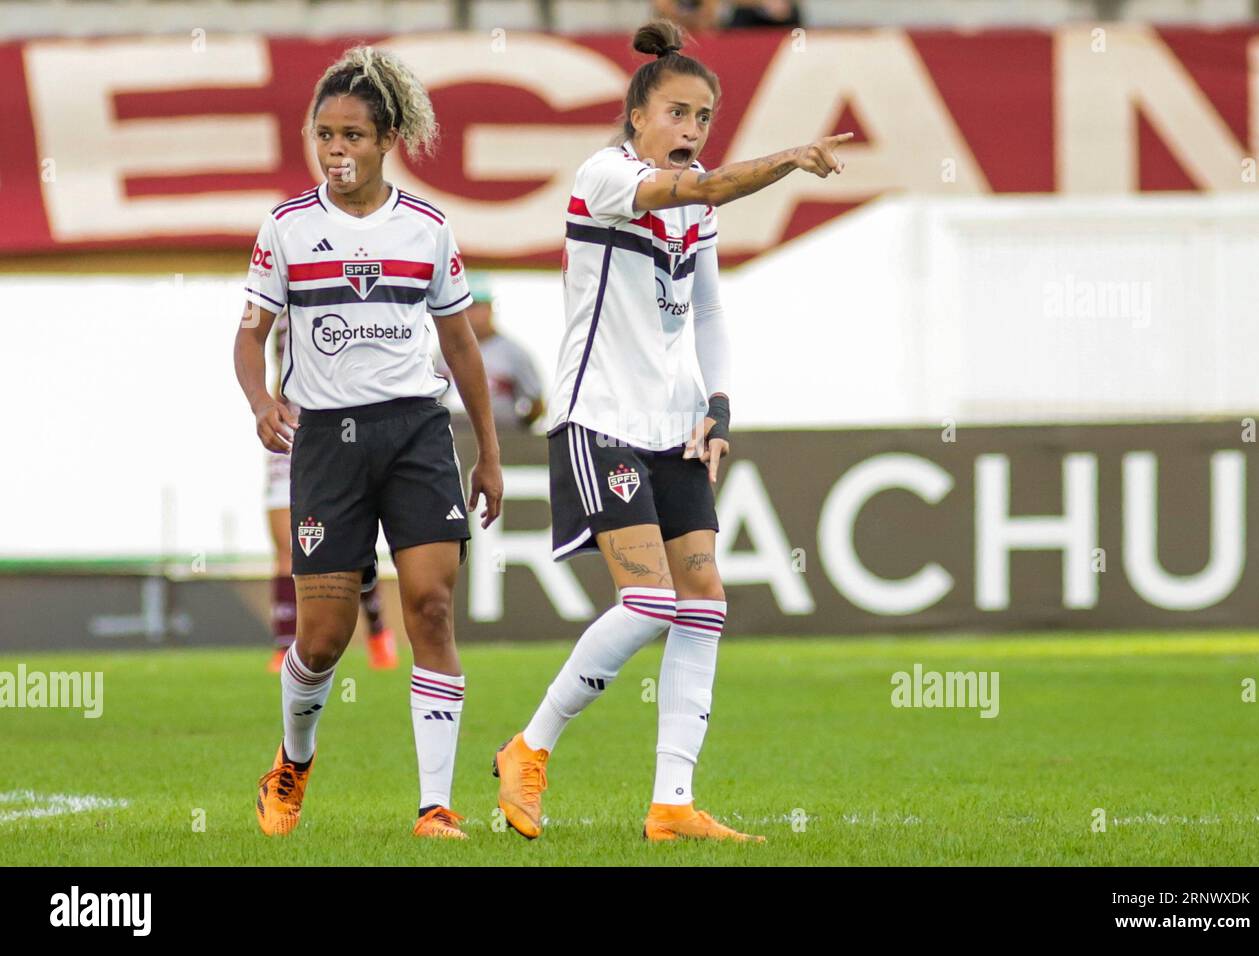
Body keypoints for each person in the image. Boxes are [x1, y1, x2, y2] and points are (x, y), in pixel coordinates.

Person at [493, 18, 850, 843]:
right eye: (677, 114)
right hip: (601, 420)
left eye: (702, 120)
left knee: (703, 603)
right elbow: (704, 189)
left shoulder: (697, 207)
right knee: (650, 600)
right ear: (638, 118)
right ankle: (528, 746)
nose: (688, 131)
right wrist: (790, 158)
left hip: (673, 424)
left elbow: (710, 307)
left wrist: (718, 406)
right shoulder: (606, 176)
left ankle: (672, 805)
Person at [233, 45, 503, 841]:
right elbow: (250, 337)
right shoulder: (285, 229)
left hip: (416, 433)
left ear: (387, 139)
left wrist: (486, 451)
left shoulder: (427, 229)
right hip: (325, 444)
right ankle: (292, 760)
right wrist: (258, 399)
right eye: (324, 135)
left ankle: (435, 807)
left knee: (431, 606)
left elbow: (461, 346)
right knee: (322, 638)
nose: (337, 150)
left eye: (352, 135)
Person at [263, 310, 398, 675]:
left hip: (341, 422)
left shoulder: (336, 295)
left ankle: (377, 632)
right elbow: (279, 367)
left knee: (350, 543)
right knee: (285, 542)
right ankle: (283, 644)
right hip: (293, 424)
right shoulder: (275, 298)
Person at [434, 275, 546, 430]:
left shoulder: (514, 352)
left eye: (474, 306)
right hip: (455, 437)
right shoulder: (445, 350)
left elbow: (537, 405)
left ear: (490, 308)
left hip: (501, 436)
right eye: (463, 307)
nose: (468, 313)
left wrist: (514, 433)